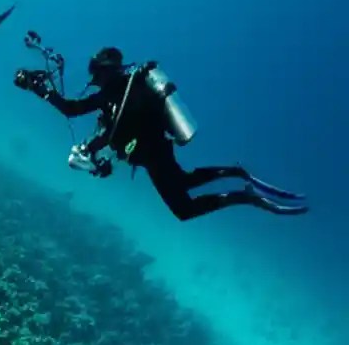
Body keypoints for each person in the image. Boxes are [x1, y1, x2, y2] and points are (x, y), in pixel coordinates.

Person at [25, 47, 308, 221]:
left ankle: (243, 195)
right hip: (156, 151)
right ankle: (235, 173)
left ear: (106, 71)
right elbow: (113, 131)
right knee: (184, 181)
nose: (92, 79)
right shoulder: (126, 91)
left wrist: (40, 90)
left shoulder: (117, 93)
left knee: (184, 210)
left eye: (95, 73)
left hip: (153, 155)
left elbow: (72, 110)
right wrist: (98, 156)